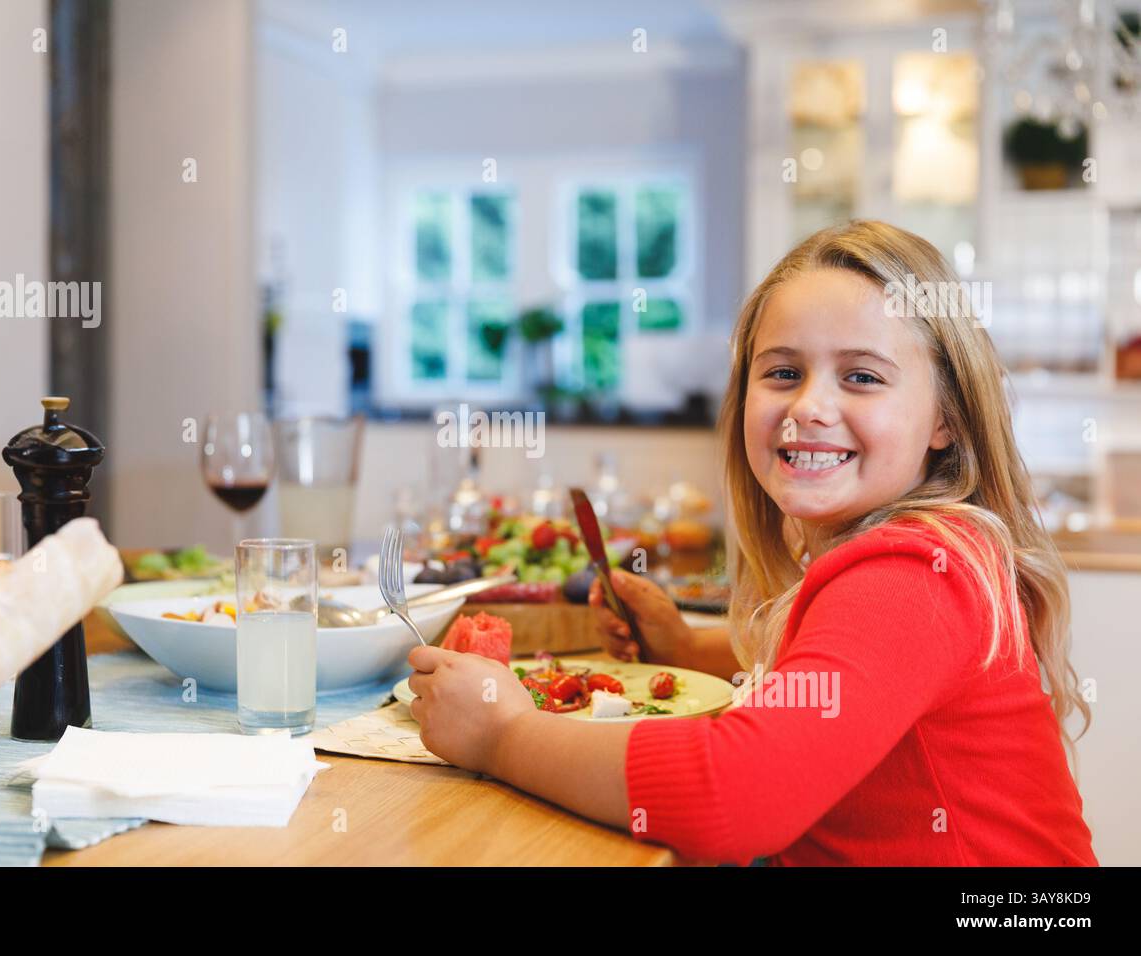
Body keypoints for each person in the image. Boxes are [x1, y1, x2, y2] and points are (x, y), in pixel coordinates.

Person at [405, 220, 1097, 865]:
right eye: (783, 372)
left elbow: (737, 796)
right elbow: (826, 670)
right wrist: (685, 647)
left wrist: (504, 736)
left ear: (945, 417)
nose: (808, 407)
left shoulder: (911, 574)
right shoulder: (917, 553)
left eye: (861, 376)